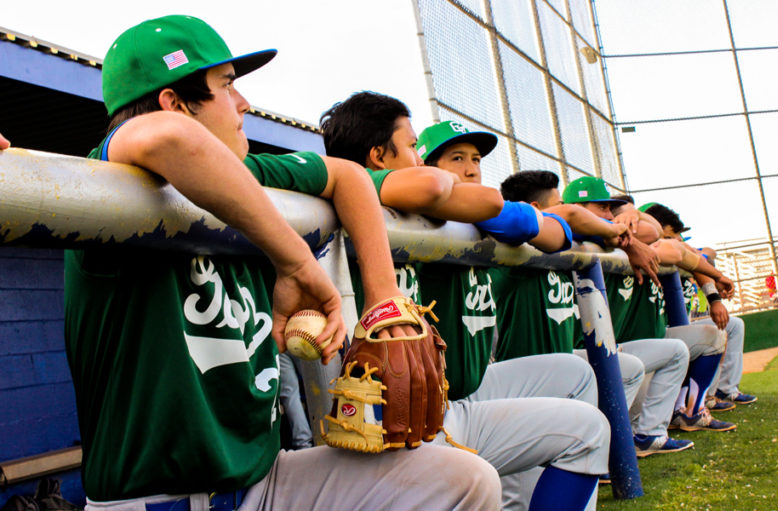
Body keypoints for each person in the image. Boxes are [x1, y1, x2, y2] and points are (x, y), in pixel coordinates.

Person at [64, 16, 501, 511]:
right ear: (175, 103)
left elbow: (350, 177)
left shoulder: (249, 174)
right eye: (226, 85)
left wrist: (383, 298)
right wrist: (296, 262)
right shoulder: (111, 179)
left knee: (465, 480)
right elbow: (164, 138)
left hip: (262, 484)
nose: (244, 103)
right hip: (155, 500)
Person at [322, 97, 610, 511]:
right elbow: (437, 187)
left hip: (449, 392)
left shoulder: (437, 212)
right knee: (586, 430)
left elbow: (551, 232)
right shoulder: (365, 191)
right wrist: (487, 207)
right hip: (399, 418)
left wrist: (493, 211)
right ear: (379, 156)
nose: (471, 169)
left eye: (475, 159)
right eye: (417, 149)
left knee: (575, 373)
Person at [500, 170, 694, 457]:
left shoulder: (581, 237)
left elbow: (654, 235)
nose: (609, 214)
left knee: (633, 365)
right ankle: (597, 449)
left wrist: (629, 222)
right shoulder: (513, 235)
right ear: (537, 209)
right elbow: (570, 215)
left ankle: (616, 446)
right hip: (518, 373)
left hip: (562, 358)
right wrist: (623, 234)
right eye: (601, 207)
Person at [559, 183, 734, 433]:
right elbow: (655, 235)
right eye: (602, 207)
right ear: (577, 208)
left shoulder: (621, 240)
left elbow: (672, 244)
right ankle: (636, 434)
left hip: (622, 345)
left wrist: (633, 217)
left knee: (710, 337)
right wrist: (628, 226)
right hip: (588, 351)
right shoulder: (567, 236)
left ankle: (683, 412)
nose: (610, 215)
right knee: (638, 369)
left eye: (612, 209)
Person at [642, 202, 757, 407]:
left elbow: (705, 254)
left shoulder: (680, 249)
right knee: (710, 336)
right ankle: (694, 403)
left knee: (732, 325)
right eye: (670, 236)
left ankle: (723, 390)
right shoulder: (643, 248)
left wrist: (715, 297)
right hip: (657, 328)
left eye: (677, 235)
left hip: (676, 324)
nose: (678, 239)